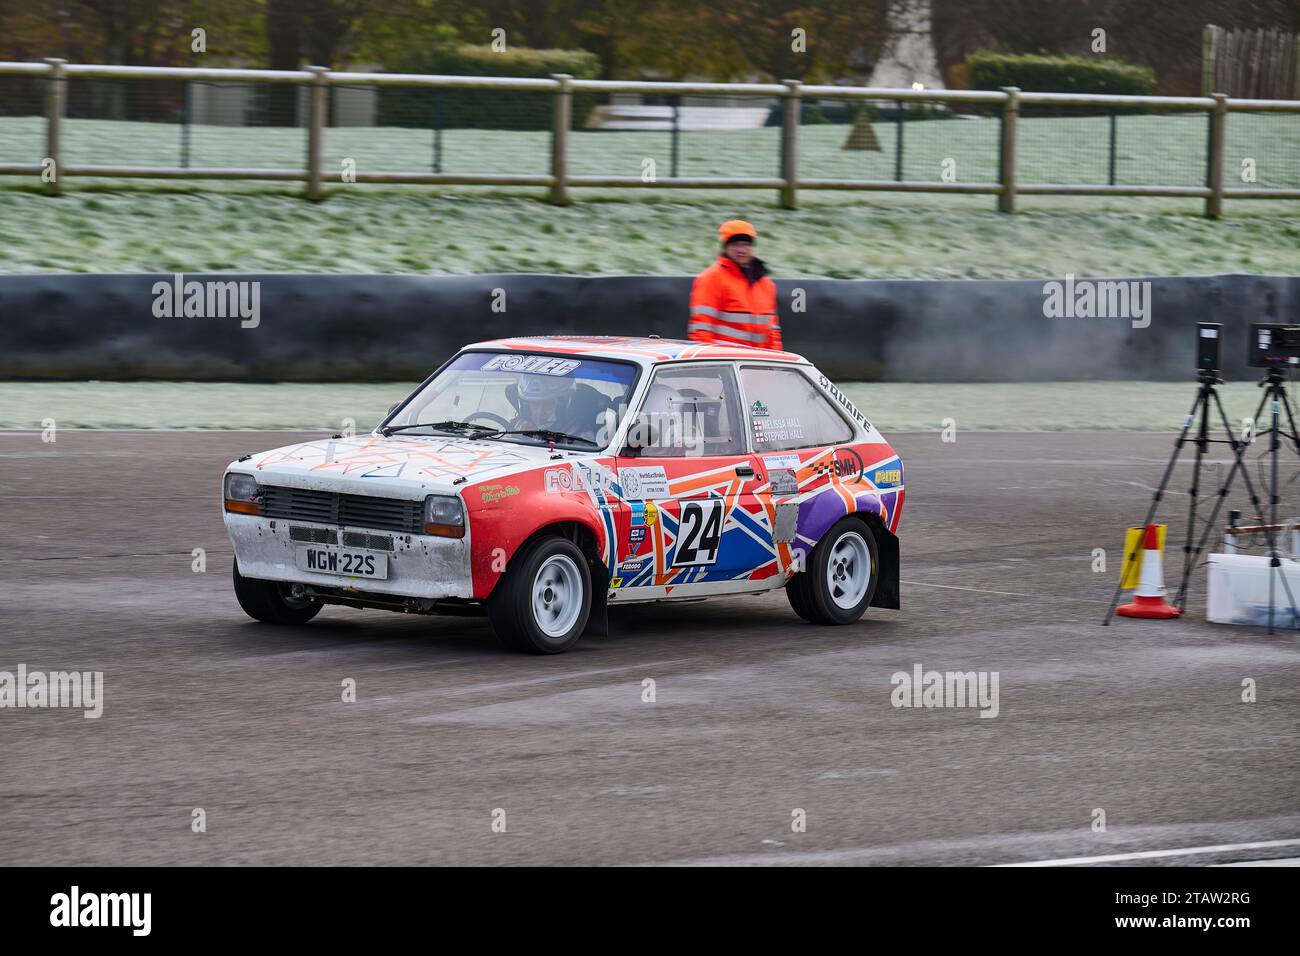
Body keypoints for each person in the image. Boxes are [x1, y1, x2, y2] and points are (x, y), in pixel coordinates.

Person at [688, 219, 782, 350]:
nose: (741, 250)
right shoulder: (712, 278)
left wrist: (776, 362)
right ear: (726, 248)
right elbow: (701, 330)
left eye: (745, 245)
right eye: (735, 245)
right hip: (725, 363)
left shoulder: (766, 284)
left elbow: (773, 332)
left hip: (758, 362)